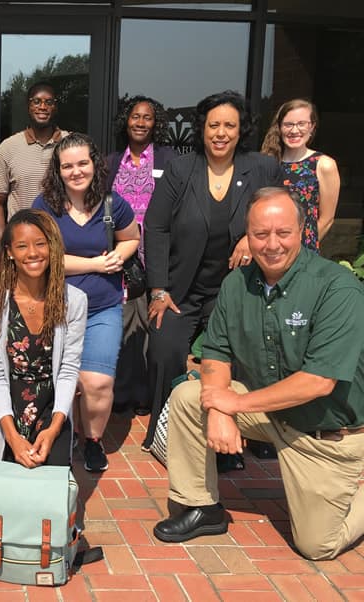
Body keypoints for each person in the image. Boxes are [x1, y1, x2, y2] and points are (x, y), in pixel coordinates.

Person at [153, 187, 364, 561]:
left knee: (318, 545)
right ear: (247, 236)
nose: (272, 244)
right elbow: (216, 354)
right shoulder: (236, 284)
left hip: (326, 434)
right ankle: (201, 506)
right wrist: (219, 409)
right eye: (261, 234)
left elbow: (318, 381)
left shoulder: (336, 287)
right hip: (271, 413)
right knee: (188, 397)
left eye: (283, 232)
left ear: (303, 231)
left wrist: (233, 403)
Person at [142, 90, 281, 451]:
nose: (221, 133)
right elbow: (156, 227)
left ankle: (245, 434)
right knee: (163, 348)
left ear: (241, 129)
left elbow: (279, 216)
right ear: (202, 129)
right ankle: (166, 433)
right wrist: (159, 289)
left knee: (240, 353)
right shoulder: (181, 169)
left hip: (235, 290)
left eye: (229, 126)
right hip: (180, 290)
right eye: (214, 125)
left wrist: (252, 237)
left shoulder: (262, 168)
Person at [33, 133, 140, 472]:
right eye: (67, 166)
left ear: (95, 164)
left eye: (82, 163)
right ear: (58, 170)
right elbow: (43, 257)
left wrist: (119, 255)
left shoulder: (112, 203)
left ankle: (91, 439)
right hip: (55, 306)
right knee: (55, 378)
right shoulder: (44, 205)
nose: (76, 171)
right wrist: (95, 264)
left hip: (103, 307)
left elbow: (131, 238)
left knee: (97, 381)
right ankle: (55, 432)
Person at [0, 209, 87, 470]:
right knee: (3, 485)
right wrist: (12, 438)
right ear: (9, 252)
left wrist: (54, 428)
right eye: (22, 246)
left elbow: (68, 369)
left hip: (52, 407)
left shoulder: (74, 301)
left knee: (52, 484)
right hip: (7, 409)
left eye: (40, 243)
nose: (33, 253)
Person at [106, 95, 177, 414]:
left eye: (147, 117)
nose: (140, 122)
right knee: (123, 324)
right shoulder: (111, 161)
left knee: (152, 325)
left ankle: (147, 395)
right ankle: (122, 394)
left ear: (155, 123)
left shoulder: (168, 159)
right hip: (122, 254)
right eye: (135, 116)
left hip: (157, 253)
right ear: (126, 121)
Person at [0, 82, 69, 243]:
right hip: (22, 240)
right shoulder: (8, 147)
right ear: (28, 106)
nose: (43, 107)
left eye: (49, 102)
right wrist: (5, 245)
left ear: (55, 107)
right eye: (36, 101)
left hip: (64, 240)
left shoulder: (72, 144)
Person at [260, 98, 341, 251]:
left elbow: (327, 219)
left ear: (312, 127)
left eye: (302, 124)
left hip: (302, 251)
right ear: (279, 127)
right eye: (288, 124)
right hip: (266, 250)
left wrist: (299, 249)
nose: (294, 130)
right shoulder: (267, 162)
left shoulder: (324, 165)